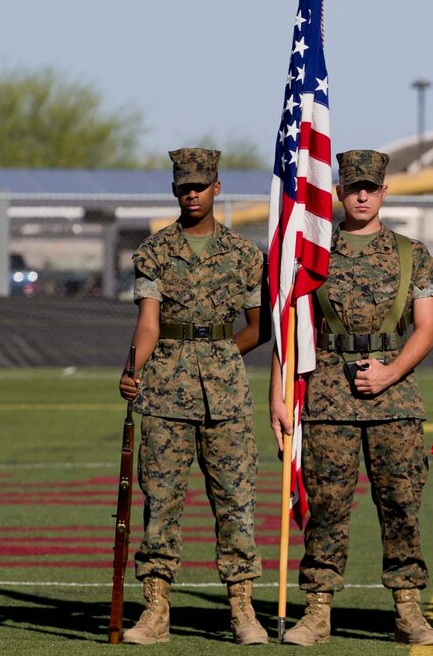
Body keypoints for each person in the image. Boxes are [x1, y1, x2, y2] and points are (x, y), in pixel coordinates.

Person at [270, 149, 433, 647]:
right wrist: (278, 395)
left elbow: (428, 329)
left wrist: (390, 373)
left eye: (371, 187)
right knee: (326, 507)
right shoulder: (312, 254)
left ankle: (409, 609)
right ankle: (317, 611)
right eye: (353, 187)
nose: (362, 195)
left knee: (401, 505)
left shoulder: (414, 254)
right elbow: (290, 328)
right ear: (339, 192)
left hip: (396, 398)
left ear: (384, 192)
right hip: (328, 396)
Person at [118, 147, 269, 646]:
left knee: (236, 503)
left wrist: (221, 354)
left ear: (217, 189)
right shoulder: (155, 252)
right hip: (164, 393)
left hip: (225, 396)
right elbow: (149, 322)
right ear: (175, 191)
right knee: (160, 504)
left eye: (201, 185)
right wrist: (132, 368)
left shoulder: (246, 255)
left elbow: (257, 328)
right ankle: (156, 610)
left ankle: (242, 608)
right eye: (185, 186)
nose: (193, 194)